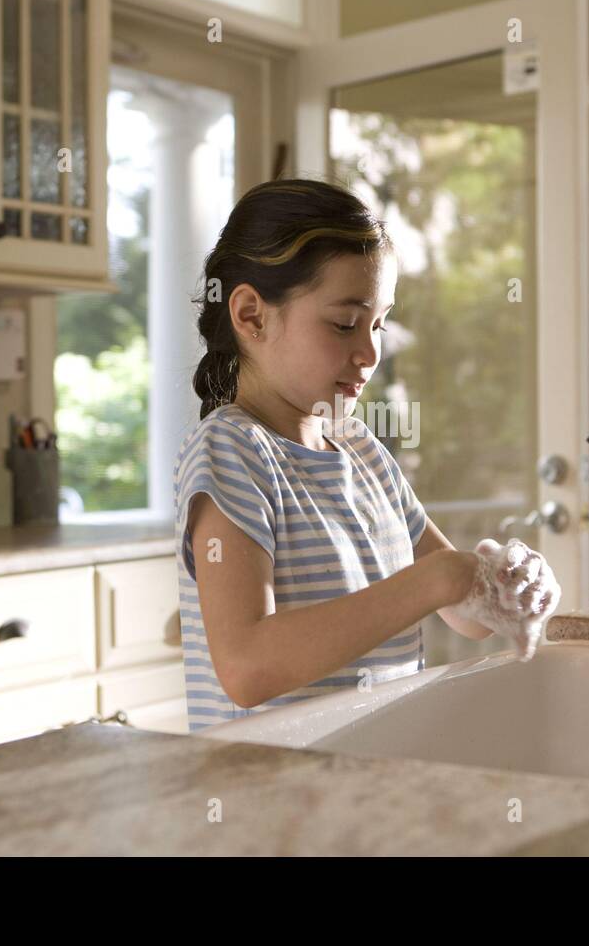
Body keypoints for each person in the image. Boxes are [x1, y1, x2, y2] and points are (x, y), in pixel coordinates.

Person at [174, 178, 560, 732]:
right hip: (271, 797)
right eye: (345, 323)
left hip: (369, 773)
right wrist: (439, 580)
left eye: (379, 323)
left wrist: (502, 585)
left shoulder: (360, 448)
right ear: (252, 315)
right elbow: (246, 666)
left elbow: (463, 614)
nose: (370, 351)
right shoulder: (232, 451)